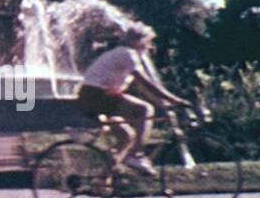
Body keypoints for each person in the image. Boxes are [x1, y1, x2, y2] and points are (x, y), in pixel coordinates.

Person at [74, 26, 191, 176]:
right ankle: (136, 155)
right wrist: (174, 99)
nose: (149, 46)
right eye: (148, 42)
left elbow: (144, 89)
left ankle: (103, 182)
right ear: (138, 41)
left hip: (94, 96)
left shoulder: (122, 53)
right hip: (96, 96)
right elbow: (146, 82)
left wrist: (164, 103)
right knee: (145, 110)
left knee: (127, 137)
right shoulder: (127, 53)